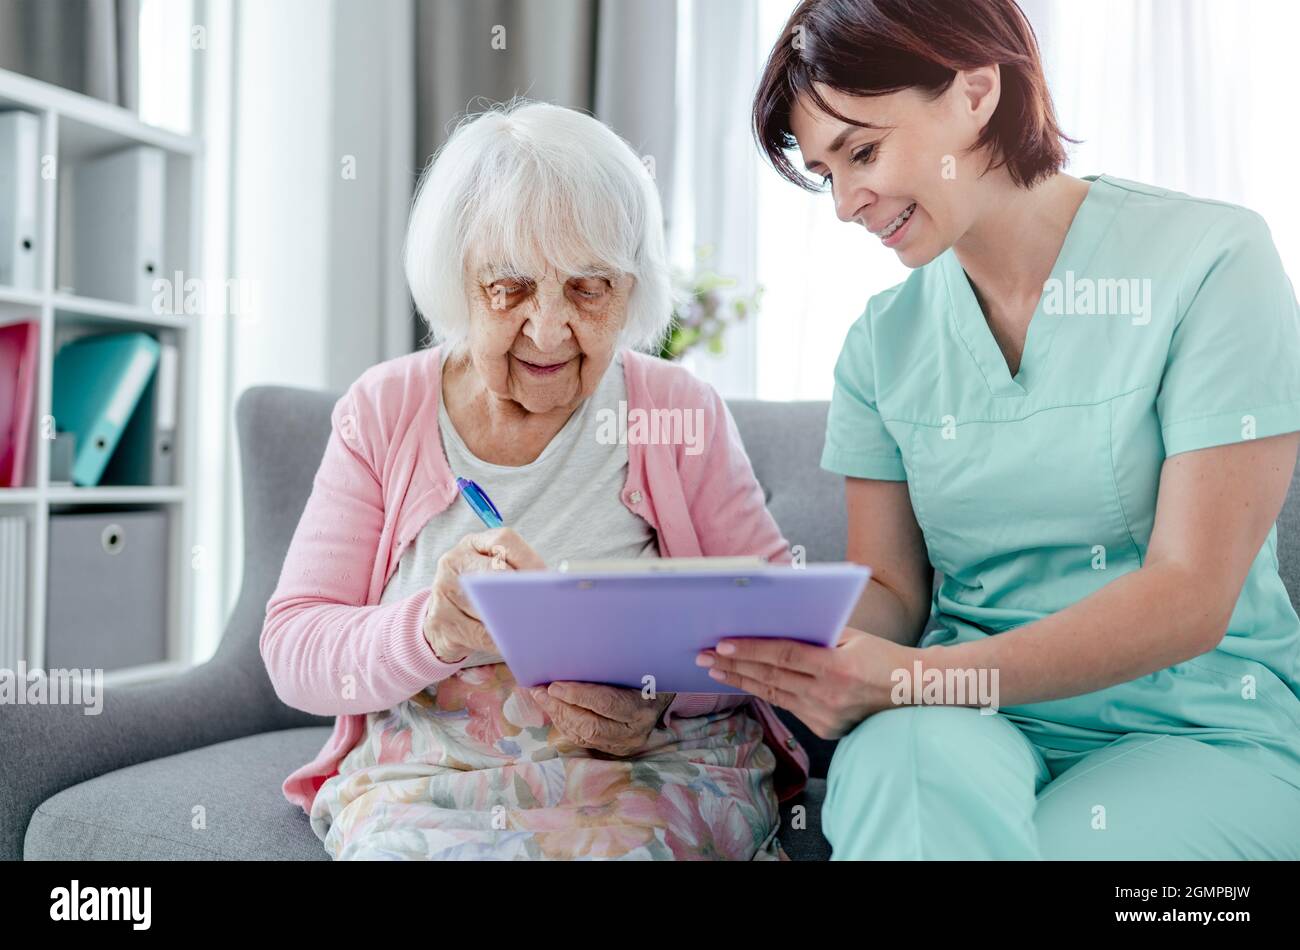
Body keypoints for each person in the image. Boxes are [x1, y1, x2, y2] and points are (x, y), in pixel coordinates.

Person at [700, 0, 1300, 859]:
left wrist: (915, 678)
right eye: (826, 173)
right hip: (959, 722)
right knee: (901, 787)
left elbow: (1191, 594)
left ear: (977, 91)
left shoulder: (1214, 262)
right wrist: (770, 631)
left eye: (862, 152)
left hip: (1198, 726)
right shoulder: (882, 343)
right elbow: (896, 596)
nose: (844, 204)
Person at [261, 100, 808, 860]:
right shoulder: (384, 410)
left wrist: (660, 690)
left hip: (654, 764)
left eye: (589, 288)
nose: (549, 331)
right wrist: (432, 629)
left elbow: (782, 634)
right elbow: (293, 646)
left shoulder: (677, 411)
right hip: (431, 777)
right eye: (509, 286)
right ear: (459, 280)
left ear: (632, 288)